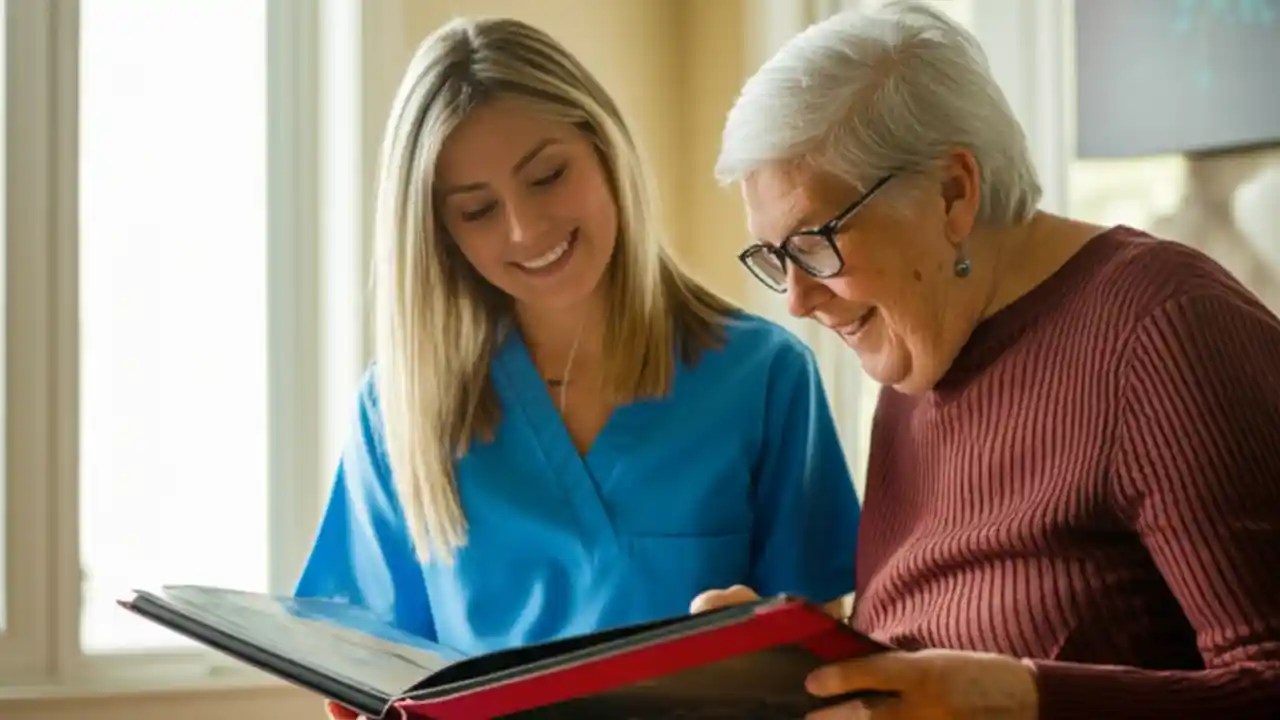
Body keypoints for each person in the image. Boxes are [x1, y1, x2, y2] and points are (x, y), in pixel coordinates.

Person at [693, 2, 1280, 718]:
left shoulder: (1164, 331)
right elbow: (938, 644)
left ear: (953, 192)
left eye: (816, 242)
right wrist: (802, 667)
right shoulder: (921, 355)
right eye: (775, 256)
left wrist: (1027, 698)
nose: (797, 299)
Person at [293, 15, 861, 720]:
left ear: (604, 148)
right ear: (439, 233)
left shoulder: (765, 379)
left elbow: (822, 671)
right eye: (477, 210)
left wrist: (762, 655)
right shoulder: (398, 412)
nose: (525, 229)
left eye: (548, 176)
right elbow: (365, 673)